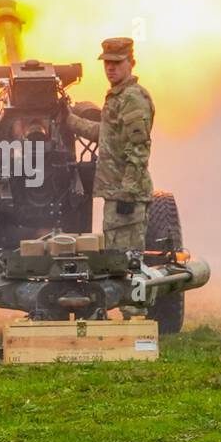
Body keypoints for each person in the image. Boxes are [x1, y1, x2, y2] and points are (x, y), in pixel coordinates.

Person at [66, 37, 155, 268]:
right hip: (116, 196)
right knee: (117, 267)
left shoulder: (133, 98)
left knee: (127, 269)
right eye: (107, 63)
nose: (111, 68)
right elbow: (106, 134)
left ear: (131, 62)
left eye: (117, 62)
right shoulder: (118, 96)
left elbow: (138, 149)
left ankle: (135, 307)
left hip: (126, 200)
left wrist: (127, 192)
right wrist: (70, 120)